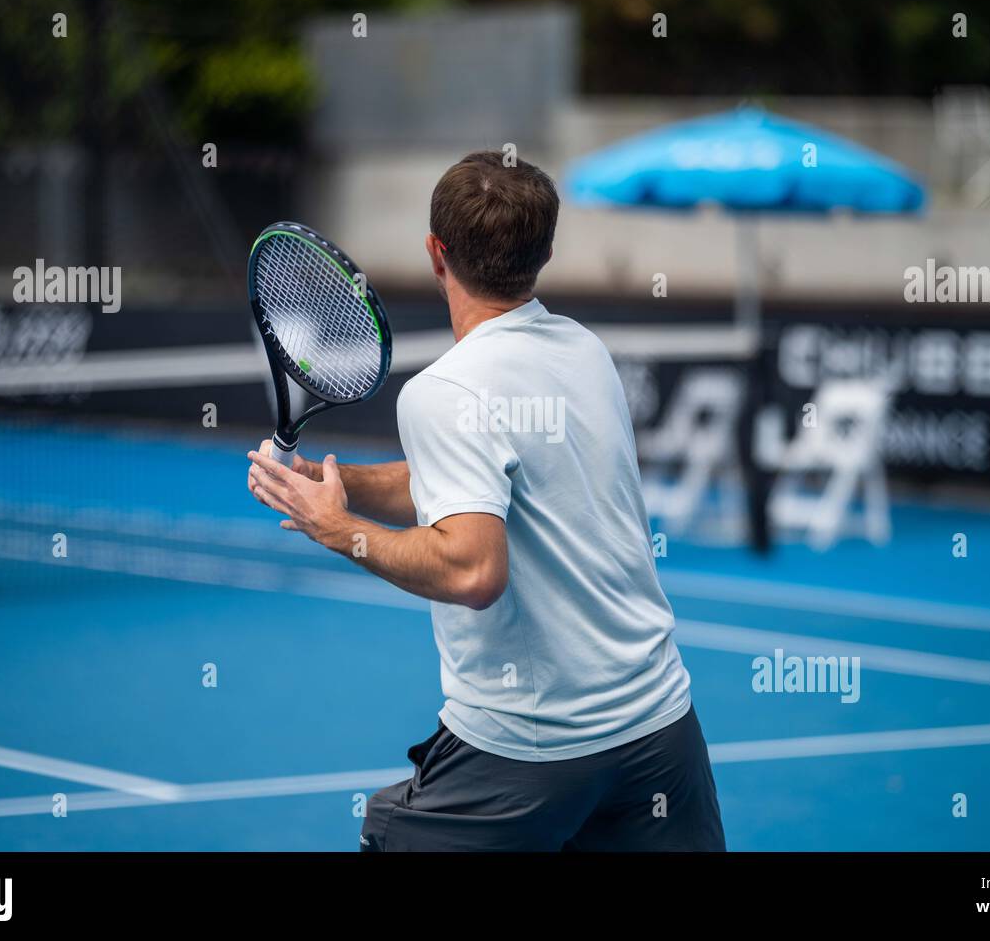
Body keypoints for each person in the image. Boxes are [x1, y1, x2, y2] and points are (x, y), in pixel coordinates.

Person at [246, 151, 725, 851]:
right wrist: (339, 483)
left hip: (528, 754)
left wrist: (337, 529)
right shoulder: (583, 351)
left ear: (436, 253)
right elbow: (470, 484)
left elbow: (473, 570)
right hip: (659, 732)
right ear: (546, 252)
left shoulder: (445, 392)